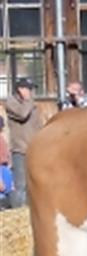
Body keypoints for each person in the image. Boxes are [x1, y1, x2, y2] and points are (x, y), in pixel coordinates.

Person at [4, 77, 41, 209]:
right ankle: (17, 210)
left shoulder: (32, 104)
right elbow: (23, 114)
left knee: (34, 183)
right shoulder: (11, 102)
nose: (31, 92)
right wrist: (27, 100)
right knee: (20, 184)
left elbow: (38, 126)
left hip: (35, 150)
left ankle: (31, 210)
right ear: (20, 89)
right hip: (20, 150)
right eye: (28, 89)